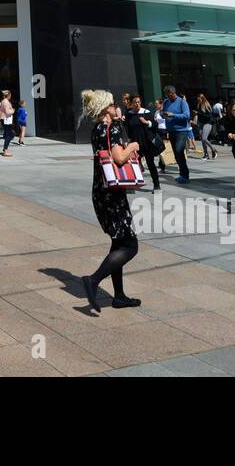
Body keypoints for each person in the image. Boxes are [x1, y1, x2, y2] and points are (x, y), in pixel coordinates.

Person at [80, 102, 141, 312]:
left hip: (100, 190)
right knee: (130, 246)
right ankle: (93, 280)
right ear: (106, 109)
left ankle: (119, 296)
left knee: (118, 242)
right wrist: (132, 146)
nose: (117, 107)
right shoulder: (112, 127)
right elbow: (119, 158)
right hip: (113, 193)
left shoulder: (96, 129)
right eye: (113, 104)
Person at [124, 95, 163, 191]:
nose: (137, 104)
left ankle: (156, 185)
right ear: (131, 103)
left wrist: (146, 122)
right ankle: (132, 185)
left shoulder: (146, 112)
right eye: (135, 102)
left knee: (150, 164)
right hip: (134, 144)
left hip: (147, 142)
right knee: (133, 164)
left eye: (138, 102)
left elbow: (155, 125)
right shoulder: (129, 114)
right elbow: (127, 129)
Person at [160, 86, 192, 183]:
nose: (169, 97)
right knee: (176, 153)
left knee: (179, 151)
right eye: (167, 95)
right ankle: (183, 174)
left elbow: (187, 115)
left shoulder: (182, 102)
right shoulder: (166, 102)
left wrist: (173, 115)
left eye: (170, 95)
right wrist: (163, 114)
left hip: (181, 131)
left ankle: (185, 175)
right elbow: (164, 112)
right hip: (171, 131)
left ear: (174, 93)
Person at [194, 94, 217, 161]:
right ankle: (206, 154)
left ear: (202, 98)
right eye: (197, 99)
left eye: (199, 99)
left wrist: (198, 113)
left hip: (208, 123)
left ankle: (213, 149)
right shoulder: (198, 104)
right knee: (202, 140)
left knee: (204, 138)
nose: (198, 100)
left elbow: (208, 116)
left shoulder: (206, 105)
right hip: (200, 123)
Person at [0, 90, 15, 156]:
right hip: (6, 120)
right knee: (9, 135)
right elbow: (7, 111)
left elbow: (0, 110)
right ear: (9, 95)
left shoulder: (3, 101)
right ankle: (5, 150)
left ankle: (5, 149)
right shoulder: (6, 102)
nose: (11, 96)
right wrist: (13, 111)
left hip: (4, 119)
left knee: (10, 134)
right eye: (10, 95)